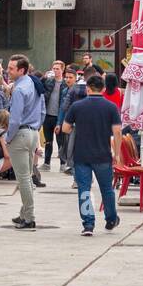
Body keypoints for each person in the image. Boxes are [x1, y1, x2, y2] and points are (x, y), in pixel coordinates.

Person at [61, 71, 122, 236]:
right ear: (103, 89)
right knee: (106, 189)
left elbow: (65, 128)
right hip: (102, 154)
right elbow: (117, 132)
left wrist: (78, 127)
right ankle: (111, 219)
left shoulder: (77, 106)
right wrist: (117, 154)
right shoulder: (111, 107)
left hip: (81, 154)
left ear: (87, 88)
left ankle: (88, 224)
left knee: (84, 189)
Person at [4, 54, 45, 231]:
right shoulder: (34, 83)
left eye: (11, 68)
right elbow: (42, 111)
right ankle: (24, 213)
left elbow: (14, 119)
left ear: (21, 70)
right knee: (26, 176)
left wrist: (8, 138)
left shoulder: (20, 89)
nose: (8, 70)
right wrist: (36, 129)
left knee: (24, 178)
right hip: (33, 132)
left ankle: (29, 216)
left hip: (20, 133)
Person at [57, 65, 86, 173]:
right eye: (66, 77)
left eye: (70, 77)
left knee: (72, 149)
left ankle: (77, 174)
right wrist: (59, 123)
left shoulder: (80, 91)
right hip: (67, 124)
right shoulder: (65, 91)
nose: (68, 79)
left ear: (75, 78)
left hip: (75, 124)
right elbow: (62, 109)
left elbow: (64, 107)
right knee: (69, 148)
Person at [41, 60, 65, 169]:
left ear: (62, 70)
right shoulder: (48, 81)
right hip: (48, 115)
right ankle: (46, 163)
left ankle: (63, 163)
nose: (55, 71)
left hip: (59, 116)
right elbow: (39, 87)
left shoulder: (65, 83)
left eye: (57, 69)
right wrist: (44, 77)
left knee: (60, 141)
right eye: (54, 68)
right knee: (48, 140)